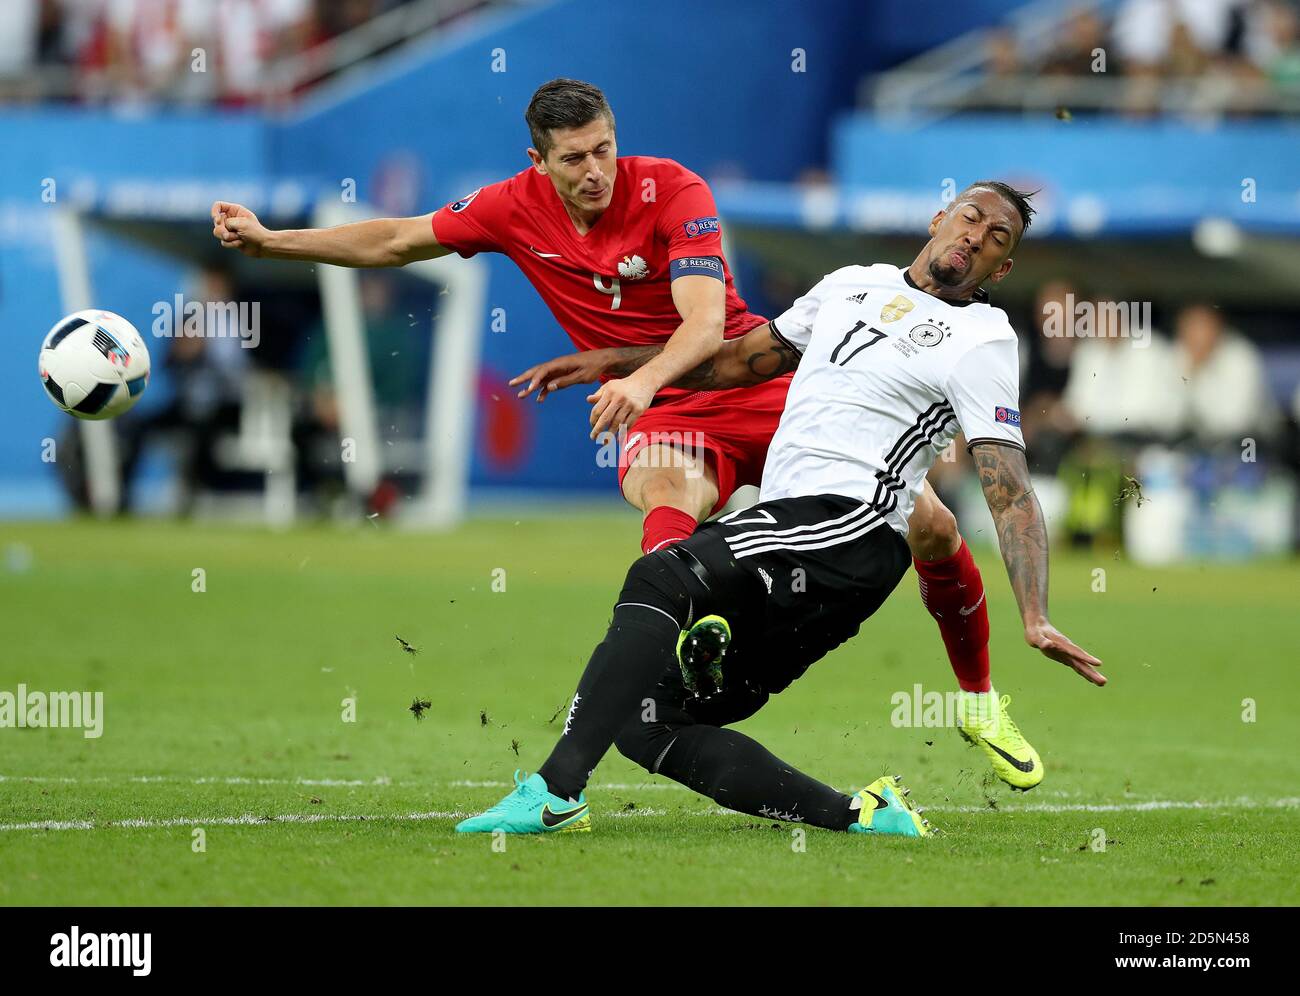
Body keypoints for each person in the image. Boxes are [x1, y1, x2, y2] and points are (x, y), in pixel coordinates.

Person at [211, 78, 1015, 786]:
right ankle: (676, 640)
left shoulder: (672, 190)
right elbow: (393, 238)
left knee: (930, 528)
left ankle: (979, 702)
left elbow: (706, 328)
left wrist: (636, 377)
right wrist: (271, 241)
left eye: (604, 150)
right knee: (667, 490)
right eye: (573, 159)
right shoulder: (507, 209)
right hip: (662, 406)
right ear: (539, 163)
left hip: (752, 383)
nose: (595, 171)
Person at [456, 183, 1106, 837]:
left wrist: (1035, 613)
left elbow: (1009, 485)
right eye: (970, 216)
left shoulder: (983, 339)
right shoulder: (852, 284)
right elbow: (738, 360)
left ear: (1003, 268)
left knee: (661, 576)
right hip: (800, 531)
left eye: (998, 237)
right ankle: (862, 816)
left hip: (852, 526)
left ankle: (555, 794)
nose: (976, 234)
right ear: (940, 217)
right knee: (647, 721)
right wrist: (622, 365)